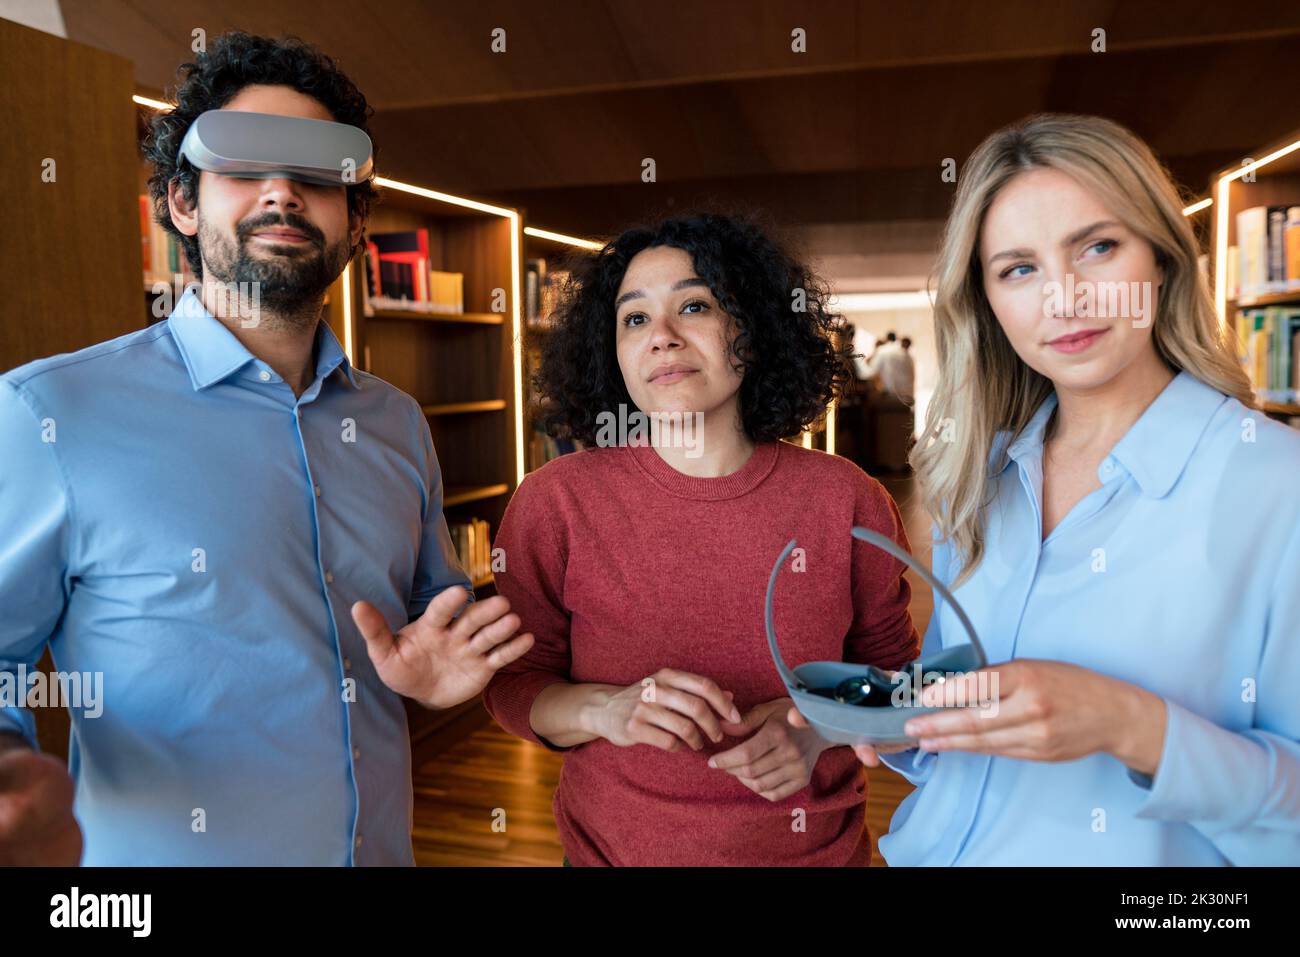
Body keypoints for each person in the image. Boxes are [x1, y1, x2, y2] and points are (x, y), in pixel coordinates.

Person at [0, 32, 531, 866]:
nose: (282, 191)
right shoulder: (49, 412)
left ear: (356, 222)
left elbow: (437, 617)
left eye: (318, 175)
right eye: (244, 168)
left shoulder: (395, 423)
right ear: (182, 204)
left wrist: (441, 670)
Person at [815, 112, 1300, 865]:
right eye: (1019, 268)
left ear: (1164, 260)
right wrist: (899, 719)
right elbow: (966, 731)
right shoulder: (975, 480)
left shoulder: (1278, 487)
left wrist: (1130, 724)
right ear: (986, 301)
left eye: (1097, 247)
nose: (1064, 298)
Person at [482, 212, 920, 865]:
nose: (660, 336)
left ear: (751, 331)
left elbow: (902, 688)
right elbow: (517, 684)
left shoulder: (846, 499)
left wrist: (817, 728)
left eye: (694, 306)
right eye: (634, 319)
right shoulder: (556, 502)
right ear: (613, 352)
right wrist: (605, 709)